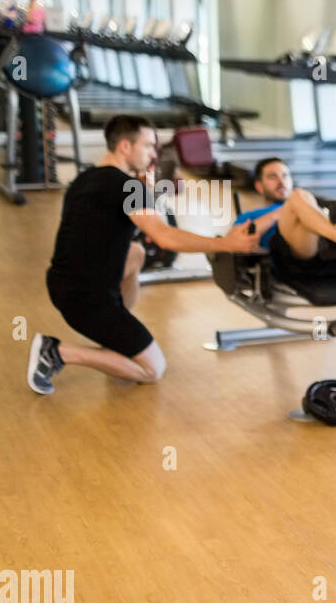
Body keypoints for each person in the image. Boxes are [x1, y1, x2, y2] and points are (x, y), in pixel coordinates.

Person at [27, 115, 262, 395]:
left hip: (63, 284)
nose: (153, 154)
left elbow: (119, 228)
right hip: (86, 300)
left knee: (136, 253)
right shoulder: (128, 187)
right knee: (153, 370)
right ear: (125, 147)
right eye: (149, 146)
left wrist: (148, 190)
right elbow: (165, 237)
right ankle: (56, 352)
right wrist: (226, 244)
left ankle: (113, 339)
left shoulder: (87, 178)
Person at [234, 157, 336, 283]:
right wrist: (281, 212)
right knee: (298, 196)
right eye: (272, 177)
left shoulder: (307, 202)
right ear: (258, 185)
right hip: (298, 261)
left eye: (285, 176)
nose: (281, 181)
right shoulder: (252, 216)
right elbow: (238, 240)